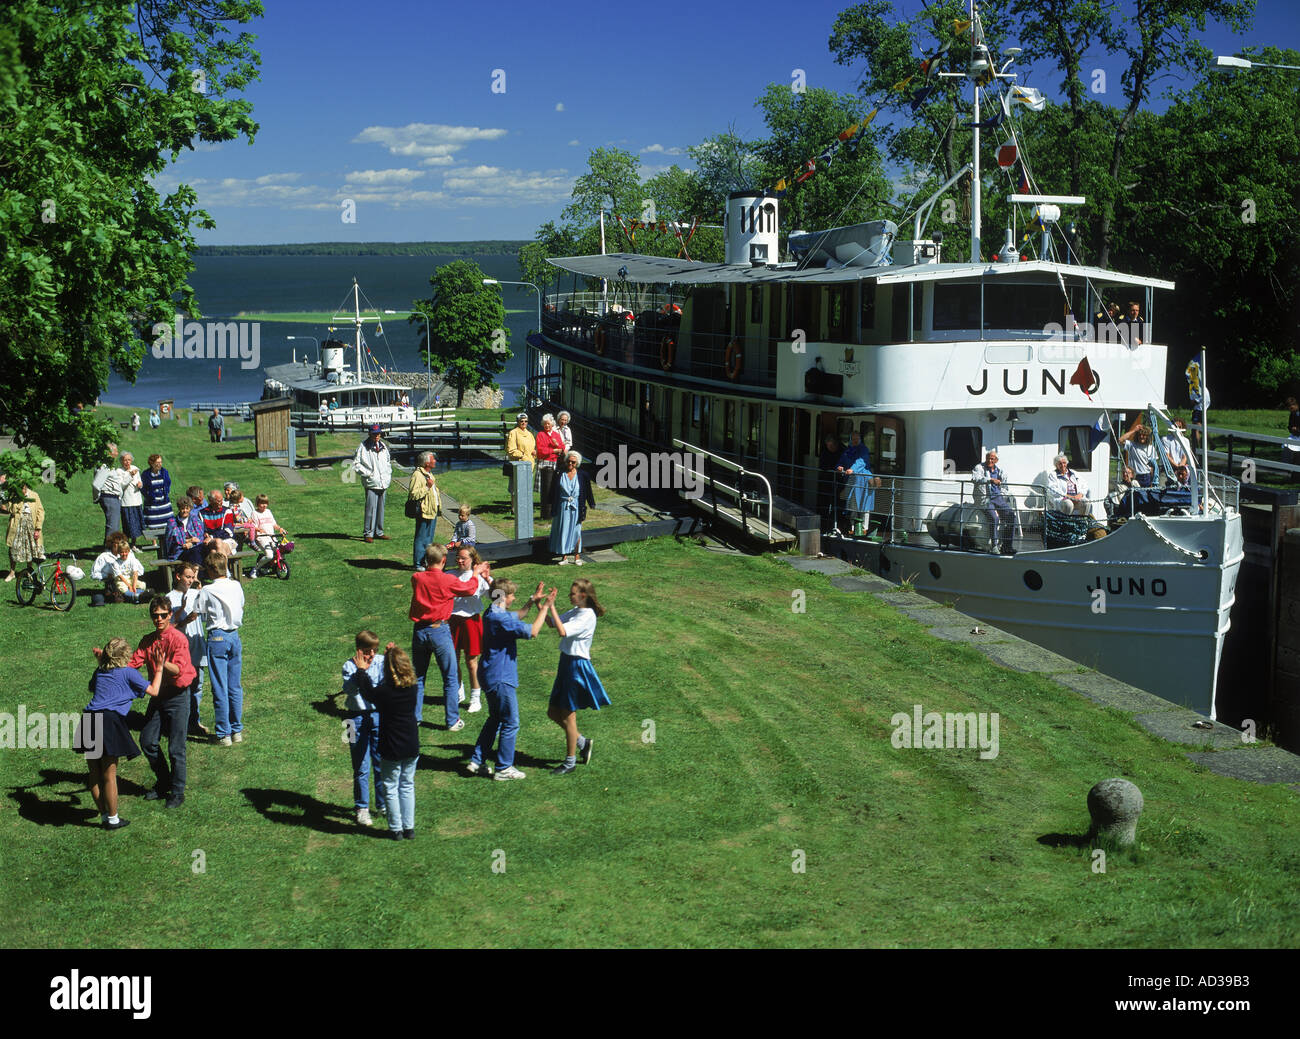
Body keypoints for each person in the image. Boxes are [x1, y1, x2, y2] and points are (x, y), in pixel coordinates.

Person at [467, 579, 556, 781]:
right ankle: (504, 768)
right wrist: (546, 608)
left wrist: (532, 602)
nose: (514, 598)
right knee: (511, 722)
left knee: (495, 718)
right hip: (501, 677)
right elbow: (533, 631)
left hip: (488, 673)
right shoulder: (501, 620)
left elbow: (516, 615)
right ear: (503, 597)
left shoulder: (492, 612)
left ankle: (477, 761)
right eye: (512, 595)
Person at [75, 636, 164, 831]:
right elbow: (154, 691)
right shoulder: (129, 673)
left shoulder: (100, 672)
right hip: (108, 722)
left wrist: (101, 663)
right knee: (109, 775)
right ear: (125, 655)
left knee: (94, 774)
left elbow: (93, 686)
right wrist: (159, 668)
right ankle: (114, 820)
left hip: (89, 720)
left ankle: (105, 816)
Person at [409, 544, 491, 731]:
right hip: (439, 630)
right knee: (450, 677)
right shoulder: (446, 580)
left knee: (419, 676)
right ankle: (452, 720)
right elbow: (470, 589)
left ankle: (415, 718)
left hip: (419, 631)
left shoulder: (416, 578)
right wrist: (476, 573)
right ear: (444, 560)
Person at [131, 595, 197, 807]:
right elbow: (133, 664)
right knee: (147, 741)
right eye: (154, 615)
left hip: (178, 696)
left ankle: (177, 792)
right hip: (158, 696)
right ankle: (164, 782)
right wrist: (108, 662)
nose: (158, 619)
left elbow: (179, 669)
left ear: (170, 615)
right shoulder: (148, 640)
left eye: (162, 615)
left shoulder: (178, 639)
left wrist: (162, 663)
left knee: (176, 748)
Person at [544, 578, 610, 776]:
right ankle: (583, 743)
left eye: (572, 593)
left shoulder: (587, 616)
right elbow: (551, 624)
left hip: (576, 667)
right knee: (553, 713)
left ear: (583, 595)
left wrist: (552, 606)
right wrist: (541, 604)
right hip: (566, 663)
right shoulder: (576, 611)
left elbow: (562, 631)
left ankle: (569, 762)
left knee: (568, 715)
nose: (569, 596)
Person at [358, 645, 420, 840]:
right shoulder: (413, 687)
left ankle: (395, 829)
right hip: (411, 743)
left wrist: (361, 670)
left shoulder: (385, 692)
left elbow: (368, 692)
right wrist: (392, 655)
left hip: (391, 745)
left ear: (389, 669)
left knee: (390, 786)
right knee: (407, 784)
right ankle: (408, 828)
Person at [194, 552, 246, 746]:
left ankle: (224, 733)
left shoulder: (207, 590)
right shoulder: (236, 585)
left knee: (219, 686)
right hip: (234, 635)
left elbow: (197, 611)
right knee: (235, 685)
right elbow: (240, 604)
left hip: (217, 637)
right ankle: (236, 730)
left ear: (212, 570)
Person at [341, 630, 387, 827]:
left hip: (377, 716)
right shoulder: (348, 666)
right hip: (353, 719)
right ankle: (362, 808)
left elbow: (383, 687)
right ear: (359, 651)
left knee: (380, 762)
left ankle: (383, 804)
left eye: (375, 650)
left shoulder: (381, 662)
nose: (372, 655)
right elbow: (350, 690)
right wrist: (361, 670)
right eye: (368, 651)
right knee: (360, 765)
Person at [165, 561, 209, 736]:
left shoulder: (195, 594)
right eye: (188, 577)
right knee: (181, 688)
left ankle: (194, 722)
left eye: (193, 577)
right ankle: (178, 724)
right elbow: (166, 629)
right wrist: (183, 619)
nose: (191, 580)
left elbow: (205, 619)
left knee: (197, 686)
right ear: (178, 576)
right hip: (180, 651)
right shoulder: (169, 598)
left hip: (197, 646)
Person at [448, 545, 491, 714]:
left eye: (463, 558)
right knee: (453, 660)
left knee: (471, 663)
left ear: (473, 560)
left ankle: (475, 698)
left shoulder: (479, 578)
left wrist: (488, 579)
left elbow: (499, 598)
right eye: (458, 557)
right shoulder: (449, 575)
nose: (459, 561)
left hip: (471, 621)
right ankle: (458, 691)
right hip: (451, 621)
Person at [549, 451, 596, 566]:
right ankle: (564, 556)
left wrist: (591, 503)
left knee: (576, 531)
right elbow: (553, 489)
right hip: (562, 506)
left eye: (573, 462)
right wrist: (550, 503)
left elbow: (588, 491)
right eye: (569, 461)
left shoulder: (583, 475)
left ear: (577, 463)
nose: (570, 463)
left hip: (576, 506)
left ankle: (577, 556)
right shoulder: (559, 473)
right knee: (563, 530)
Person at [971, 450, 1016, 554]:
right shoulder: (979, 467)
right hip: (984, 498)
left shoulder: (1000, 471)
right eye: (988, 458)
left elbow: (1005, 487)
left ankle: (1007, 545)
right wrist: (990, 480)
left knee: (1011, 516)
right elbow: (975, 478)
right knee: (994, 518)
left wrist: (1002, 495)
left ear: (996, 460)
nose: (989, 460)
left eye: (992, 458)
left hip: (997, 498)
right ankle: (994, 546)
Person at [354, 424, 392, 543]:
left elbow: (388, 462)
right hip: (371, 482)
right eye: (375, 433)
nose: (377, 436)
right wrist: (368, 473)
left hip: (383, 482)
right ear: (369, 433)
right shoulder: (363, 446)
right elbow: (356, 464)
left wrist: (388, 474)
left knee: (381, 508)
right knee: (371, 508)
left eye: (379, 433)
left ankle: (379, 532)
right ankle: (368, 533)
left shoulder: (383, 446)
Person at [1, 477, 44, 584]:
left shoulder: (34, 495)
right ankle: (12, 572)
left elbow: (40, 511)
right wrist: (18, 500)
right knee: (13, 547)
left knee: (30, 547)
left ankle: (29, 571)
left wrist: (38, 528)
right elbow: (12, 510)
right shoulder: (14, 496)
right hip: (17, 525)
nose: (23, 491)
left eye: (24, 488)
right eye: (20, 489)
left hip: (31, 525)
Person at [836, 431, 878, 538]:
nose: (854, 441)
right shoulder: (848, 450)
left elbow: (861, 462)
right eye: (853, 439)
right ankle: (853, 528)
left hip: (864, 479)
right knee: (852, 504)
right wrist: (839, 467)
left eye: (856, 439)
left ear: (860, 439)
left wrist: (852, 469)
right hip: (852, 480)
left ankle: (864, 528)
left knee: (864, 504)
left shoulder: (863, 449)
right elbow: (841, 460)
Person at [407, 450, 441, 569]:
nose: (435, 461)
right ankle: (418, 563)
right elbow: (413, 494)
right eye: (433, 459)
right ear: (427, 463)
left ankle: (426, 561)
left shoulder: (429, 473)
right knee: (421, 538)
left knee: (429, 539)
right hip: (424, 511)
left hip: (432, 511)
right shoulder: (418, 475)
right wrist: (427, 486)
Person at [91, 532, 146, 604]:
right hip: (113, 582)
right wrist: (107, 576)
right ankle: (133, 596)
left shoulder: (129, 554)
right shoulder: (104, 556)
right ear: (111, 544)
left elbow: (140, 570)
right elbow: (94, 574)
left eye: (120, 542)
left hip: (130, 580)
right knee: (118, 591)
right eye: (116, 543)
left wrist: (132, 578)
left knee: (141, 585)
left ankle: (138, 595)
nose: (118, 545)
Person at [535, 414, 565, 520]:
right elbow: (541, 451)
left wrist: (557, 445)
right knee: (545, 488)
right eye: (545, 424)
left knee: (553, 488)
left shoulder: (556, 434)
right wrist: (553, 451)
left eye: (548, 423)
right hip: (544, 463)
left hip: (554, 463)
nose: (547, 425)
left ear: (552, 424)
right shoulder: (540, 434)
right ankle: (545, 513)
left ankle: (553, 511)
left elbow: (562, 447)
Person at [91, 442, 122, 542]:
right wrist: (97, 497)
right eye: (115, 451)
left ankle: (111, 548)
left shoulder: (109, 466)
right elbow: (96, 484)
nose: (117, 453)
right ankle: (109, 550)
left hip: (113, 498)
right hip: (109, 497)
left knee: (114, 525)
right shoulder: (104, 467)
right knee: (112, 526)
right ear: (109, 453)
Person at [249, 493, 287, 568]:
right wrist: (259, 529)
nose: (264, 505)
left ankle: (274, 566)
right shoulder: (254, 513)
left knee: (280, 551)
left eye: (266, 503)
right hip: (262, 537)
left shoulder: (268, 511)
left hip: (271, 537)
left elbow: (274, 524)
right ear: (257, 503)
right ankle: (256, 569)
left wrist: (280, 529)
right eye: (262, 503)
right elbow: (253, 526)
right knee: (269, 555)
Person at [505, 412, 536, 502]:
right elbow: (511, 450)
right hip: (518, 464)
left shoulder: (530, 434)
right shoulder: (513, 433)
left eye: (526, 421)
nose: (524, 423)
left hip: (529, 465)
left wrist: (534, 452)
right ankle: (514, 508)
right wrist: (522, 456)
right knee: (515, 487)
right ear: (518, 422)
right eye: (521, 421)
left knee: (526, 487)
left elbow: (532, 447)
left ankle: (524, 505)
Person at [196, 490, 238, 556]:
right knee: (216, 547)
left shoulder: (227, 511)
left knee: (215, 549)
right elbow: (200, 530)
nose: (221, 503)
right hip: (210, 542)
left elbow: (228, 531)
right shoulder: (202, 513)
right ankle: (224, 566)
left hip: (226, 541)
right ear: (211, 501)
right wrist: (205, 534)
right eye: (218, 501)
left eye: (221, 500)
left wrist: (211, 536)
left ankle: (220, 566)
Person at [1118, 421, 1158, 487]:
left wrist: (1152, 480)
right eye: (1139, 435)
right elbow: (1120, 440)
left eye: (1144, 435)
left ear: (1147, 436)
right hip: (1135, 476)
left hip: (1147, 477)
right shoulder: (1132, 445)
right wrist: (1134, 430)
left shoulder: (1151, 448)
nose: (1141, 437)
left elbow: (1153, 466)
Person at [116, 452, 144, 546]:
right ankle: (126, 545)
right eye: (125, 460)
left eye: (129, 460)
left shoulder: (135, 468)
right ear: (121, 461)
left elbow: (139, 480)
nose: (127, 462)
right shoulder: (119, 471)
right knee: (128, 525)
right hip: (127, 502)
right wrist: (130, 476)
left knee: (136, 524)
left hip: (136, 500)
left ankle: (134, 545)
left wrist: (140, 484)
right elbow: (121, 485)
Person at [141, 453, 172, 534]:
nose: (159, 464)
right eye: (157, 463)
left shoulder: (164, 472)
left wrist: (166, 492)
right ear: (151, 463)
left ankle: (164, 542)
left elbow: (168, 483)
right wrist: (149, 496)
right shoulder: (146, 474)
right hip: (152, 502)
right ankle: (154, 543)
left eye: (161, 462)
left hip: (163, 501)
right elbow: (143, 488)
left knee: (165, 522)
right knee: (153, 523)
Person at [817, 434, 842, 533]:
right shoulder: (824, 453)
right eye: (828, 446)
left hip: (837, 483)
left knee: (836, 504)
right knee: (824, 504)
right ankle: (823, 526)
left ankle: (835, 525)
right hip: (826, 482)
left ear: (835, 445)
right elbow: (822, 465)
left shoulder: (841, 452)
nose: (830, 448)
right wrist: (833, 469)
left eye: (831, 446)